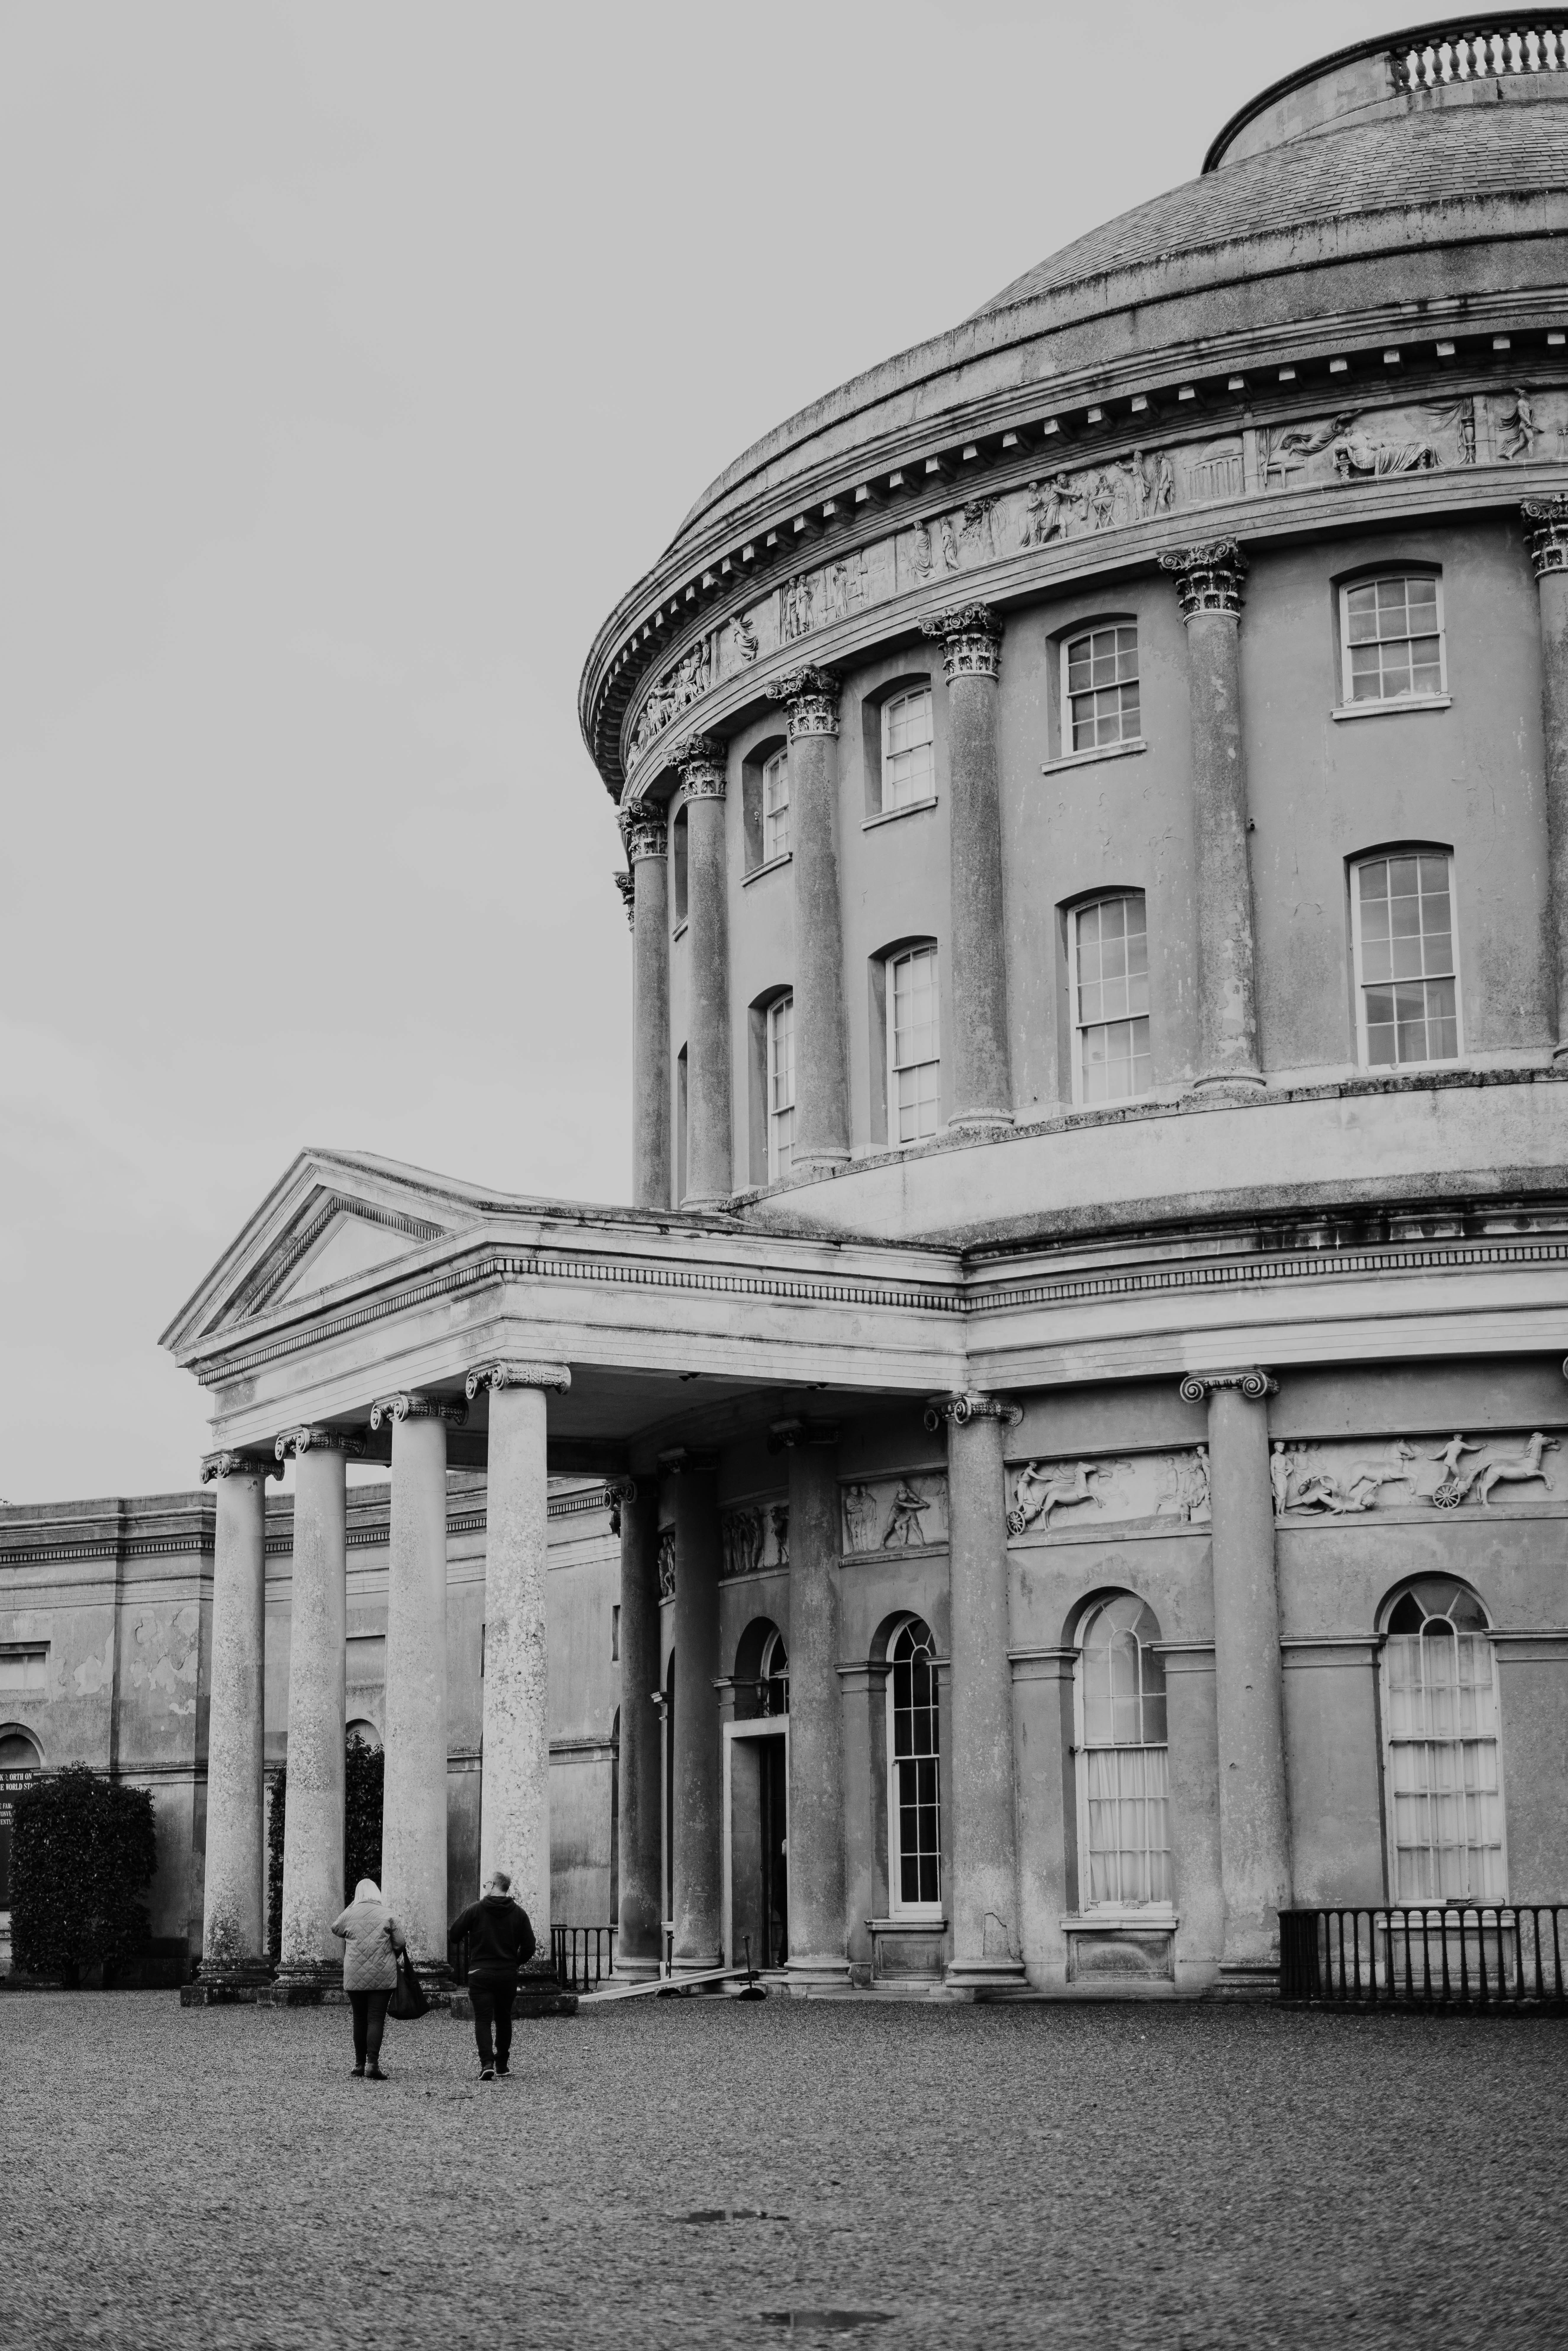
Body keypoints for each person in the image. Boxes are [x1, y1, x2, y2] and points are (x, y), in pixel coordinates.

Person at [449, 1869, 536, 2082]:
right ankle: (503, 2065)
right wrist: (515, 1962)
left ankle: (487, 2064)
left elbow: (454, 1934)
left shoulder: (476, 1910)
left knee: (483, 2019)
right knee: (504, 2018)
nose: (485, 1887)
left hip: (481, 1973)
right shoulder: (519, 1914)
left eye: (486, 1884)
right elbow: (530, 1947)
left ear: (494, 1885)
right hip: (507, 1974)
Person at [330, 1877, 406, 2081]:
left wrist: (352, 1906)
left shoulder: (350, 1915)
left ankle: (359, 2064)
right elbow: (401, 1942)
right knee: (376, 2018)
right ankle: (372, 2064)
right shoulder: (388, 1914)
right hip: (383, 1973)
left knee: (359, 2018)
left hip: (355, 1974)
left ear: (358, 1896)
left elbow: (335, 1927)